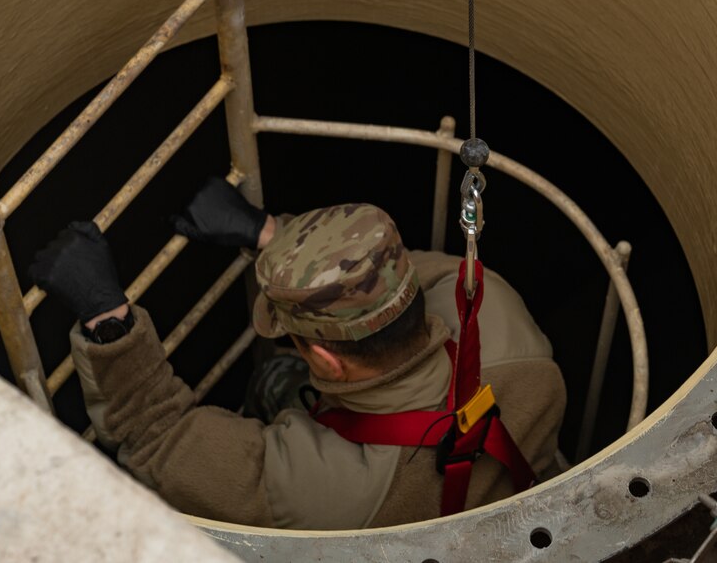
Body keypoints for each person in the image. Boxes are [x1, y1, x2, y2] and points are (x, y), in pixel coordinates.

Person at [30, 178, 566, 529]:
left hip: (384, 511)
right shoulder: (498, 313)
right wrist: (270, 234)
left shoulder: (319, 489)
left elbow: (158, 440)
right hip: (516, 511)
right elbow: (393, 276)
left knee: (280, 386)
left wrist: (108, 319)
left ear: (330, 362)